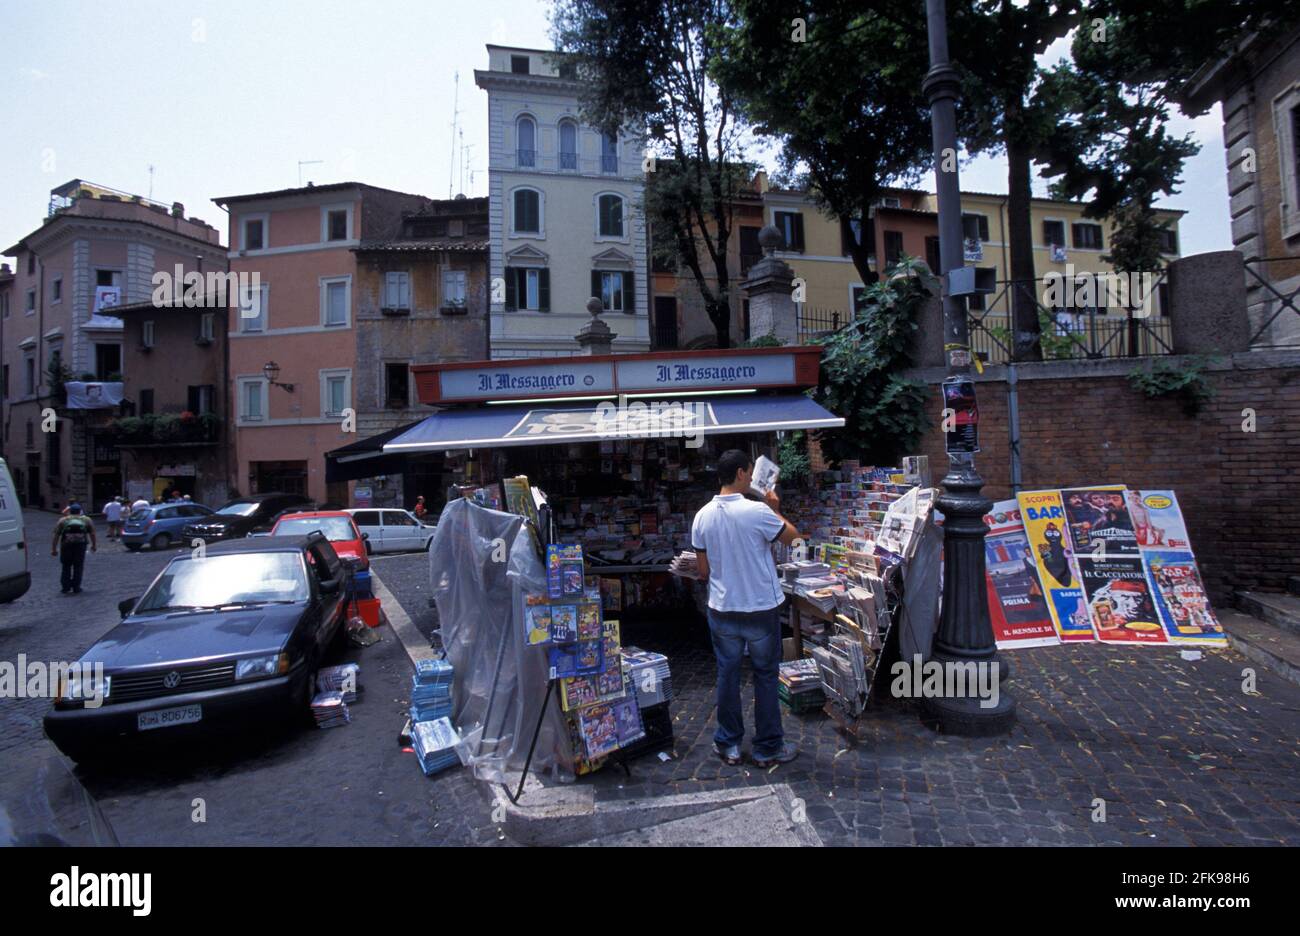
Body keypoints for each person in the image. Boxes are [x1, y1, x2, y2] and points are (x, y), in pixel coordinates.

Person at [690, 449, 802, 768]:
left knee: (727, 674)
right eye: (750, 472)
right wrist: (775, 509)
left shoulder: (702, 516)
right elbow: (794, 539)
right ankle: (768, 748)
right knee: (766, 676)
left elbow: (702, 571)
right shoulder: (758, 512)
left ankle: (729, 745)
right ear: (741, 474)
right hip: (761, 607)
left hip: (723, 608)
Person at [51, 503, 97, 594]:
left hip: (66, 545)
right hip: (80, 546)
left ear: (70, 511)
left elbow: (56, 535)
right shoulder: (86, 520)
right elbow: (92, 533)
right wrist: (94, 545)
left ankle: (65, 587)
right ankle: (76, 587)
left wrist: (54, 549)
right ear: (80, 511)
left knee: (66, 566)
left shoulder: (63, 520)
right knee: (78, 566)